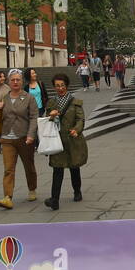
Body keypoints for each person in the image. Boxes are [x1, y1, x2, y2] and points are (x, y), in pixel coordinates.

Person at [0, 69, 38, 210]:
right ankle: (7, 197)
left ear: (22, 81)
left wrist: (31, 134)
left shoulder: (29, 98)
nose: (15, 82)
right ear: (8, 81)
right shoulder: (4, 98)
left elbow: (34, 117)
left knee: (29, 166)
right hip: (7, 138)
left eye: (18, 80)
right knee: (8, 169)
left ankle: (32, 189)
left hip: (24, 137)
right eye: (12, 80)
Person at [43, 74, 88, 208]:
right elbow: (47, 121)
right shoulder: (51, 103)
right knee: (57, 170)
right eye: (57, 86)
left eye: (62, 85)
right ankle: (54, 199)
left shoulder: (75, 102)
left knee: (74, 167)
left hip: (72, 139)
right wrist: (50, 116)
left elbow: (81, 119)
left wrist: (76, 129)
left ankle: (77, 191)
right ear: (54, 87)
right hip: (57, 140)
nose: (60, 88)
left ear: (66, 86)